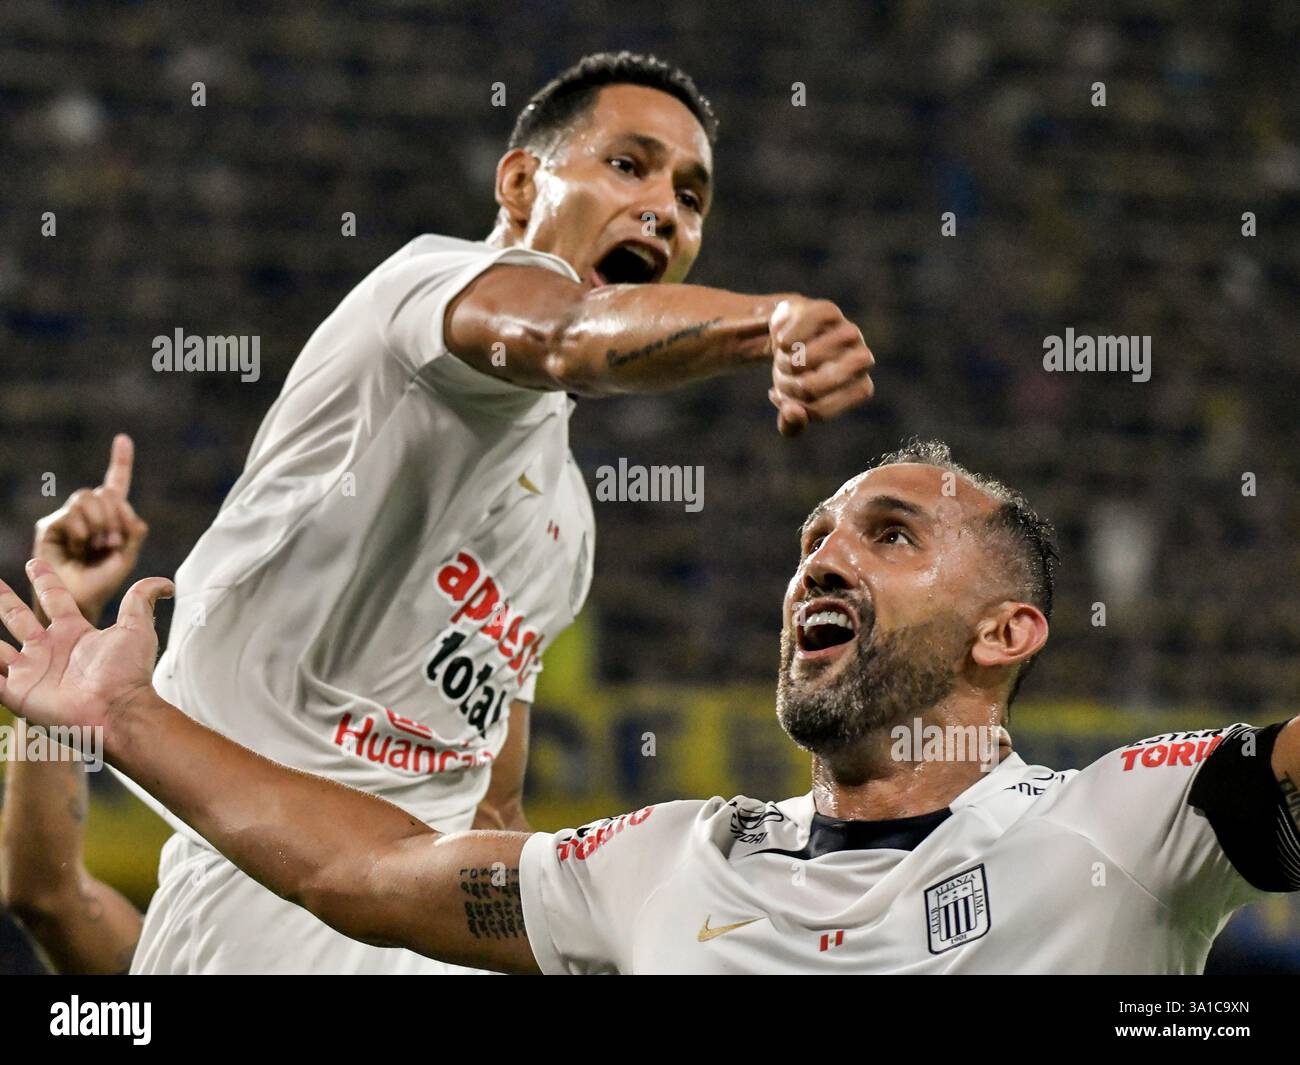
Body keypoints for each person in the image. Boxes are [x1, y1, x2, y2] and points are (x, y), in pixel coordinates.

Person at [7, 51, 877, 976]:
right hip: (260, 906)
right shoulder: (424, 295)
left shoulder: (568, 530)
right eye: (629, 164)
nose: (666, 208)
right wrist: (769, 320)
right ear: (517, 182)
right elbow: (564, 334)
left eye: (693, 196)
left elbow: (493, 813)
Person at [3, 440, 1295, 974]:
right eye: (812, 537)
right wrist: (115, 717)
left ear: (1010, 630)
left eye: (889, 533)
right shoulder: (668, 861)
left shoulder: (1129, 821)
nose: (821, 560)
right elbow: (371, 863)